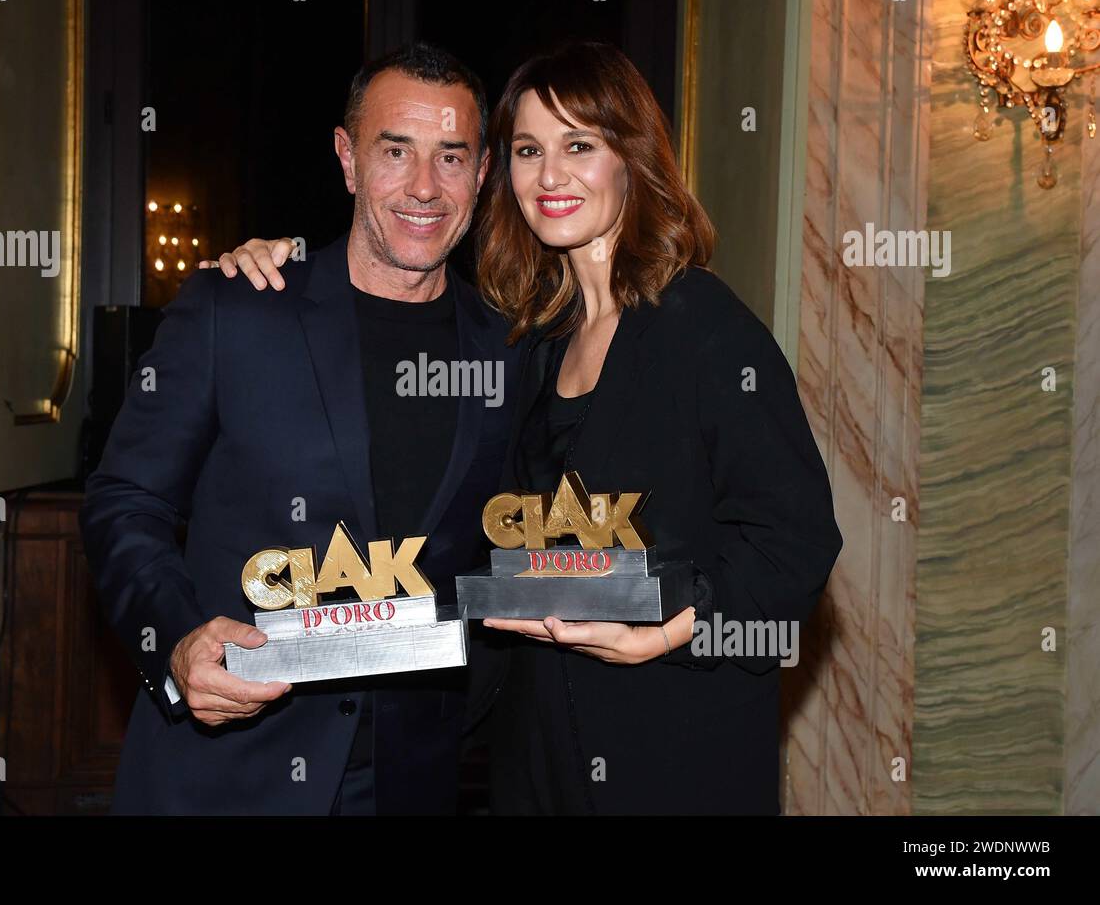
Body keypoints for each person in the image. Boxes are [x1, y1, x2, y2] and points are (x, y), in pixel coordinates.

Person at [211, 40, 843, 815]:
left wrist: (669, 631)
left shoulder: (704, 328)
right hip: (534, 751)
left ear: (631, 159)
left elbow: (797, 541)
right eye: (527, 150)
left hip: (671, 746)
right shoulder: (535, 341)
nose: (550, 176)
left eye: (579, 146)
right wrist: (285, 266)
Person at [80, 42, 518, 815]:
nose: (424, 186)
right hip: (226, 773)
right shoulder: (238, 309)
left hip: (411, 784)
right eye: (395, 151)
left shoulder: (511, 351)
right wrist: (176, 641)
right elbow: (124, 501)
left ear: (483, 174)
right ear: (348, 159)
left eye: (452, 156)